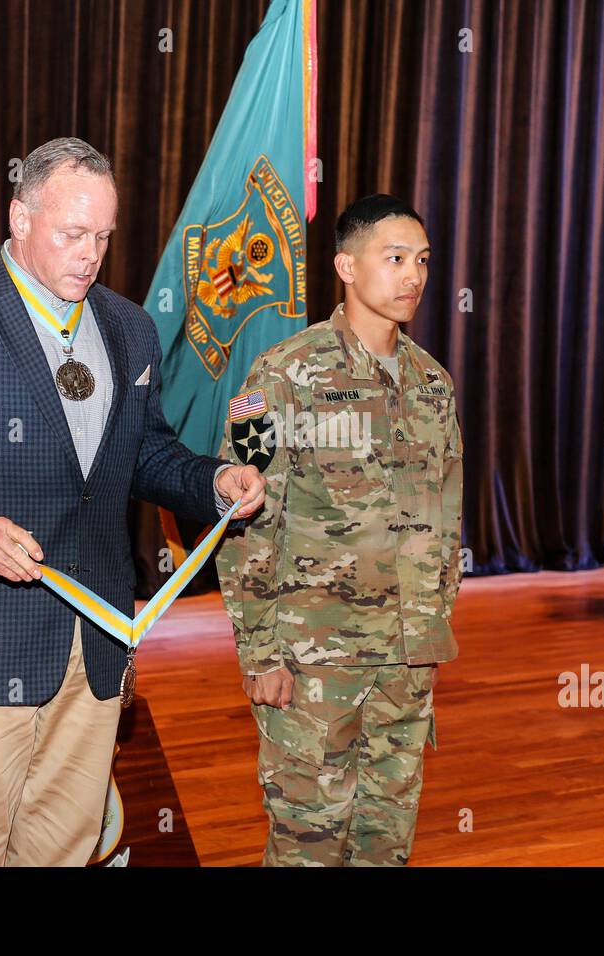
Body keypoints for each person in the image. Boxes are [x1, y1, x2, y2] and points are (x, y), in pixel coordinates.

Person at [0, 137, 264, 866]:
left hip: (97, 643)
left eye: (103, 236)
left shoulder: (129, 326)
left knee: (66, 851)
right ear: (18, 216)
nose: (90, 254)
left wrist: (211, 481)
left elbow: (144, 454)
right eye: (73, 234)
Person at [215, 194, 464, 866]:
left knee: (386, 842)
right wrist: (259, 655)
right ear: (346, 266)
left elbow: (444, 525)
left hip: (406, 664)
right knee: (308, 840)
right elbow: (245, 529)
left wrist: (433, 630)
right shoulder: (283, 375)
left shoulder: (432, 386)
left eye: (422, 260)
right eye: (395, 258)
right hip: (311, 667)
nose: (413, 275)